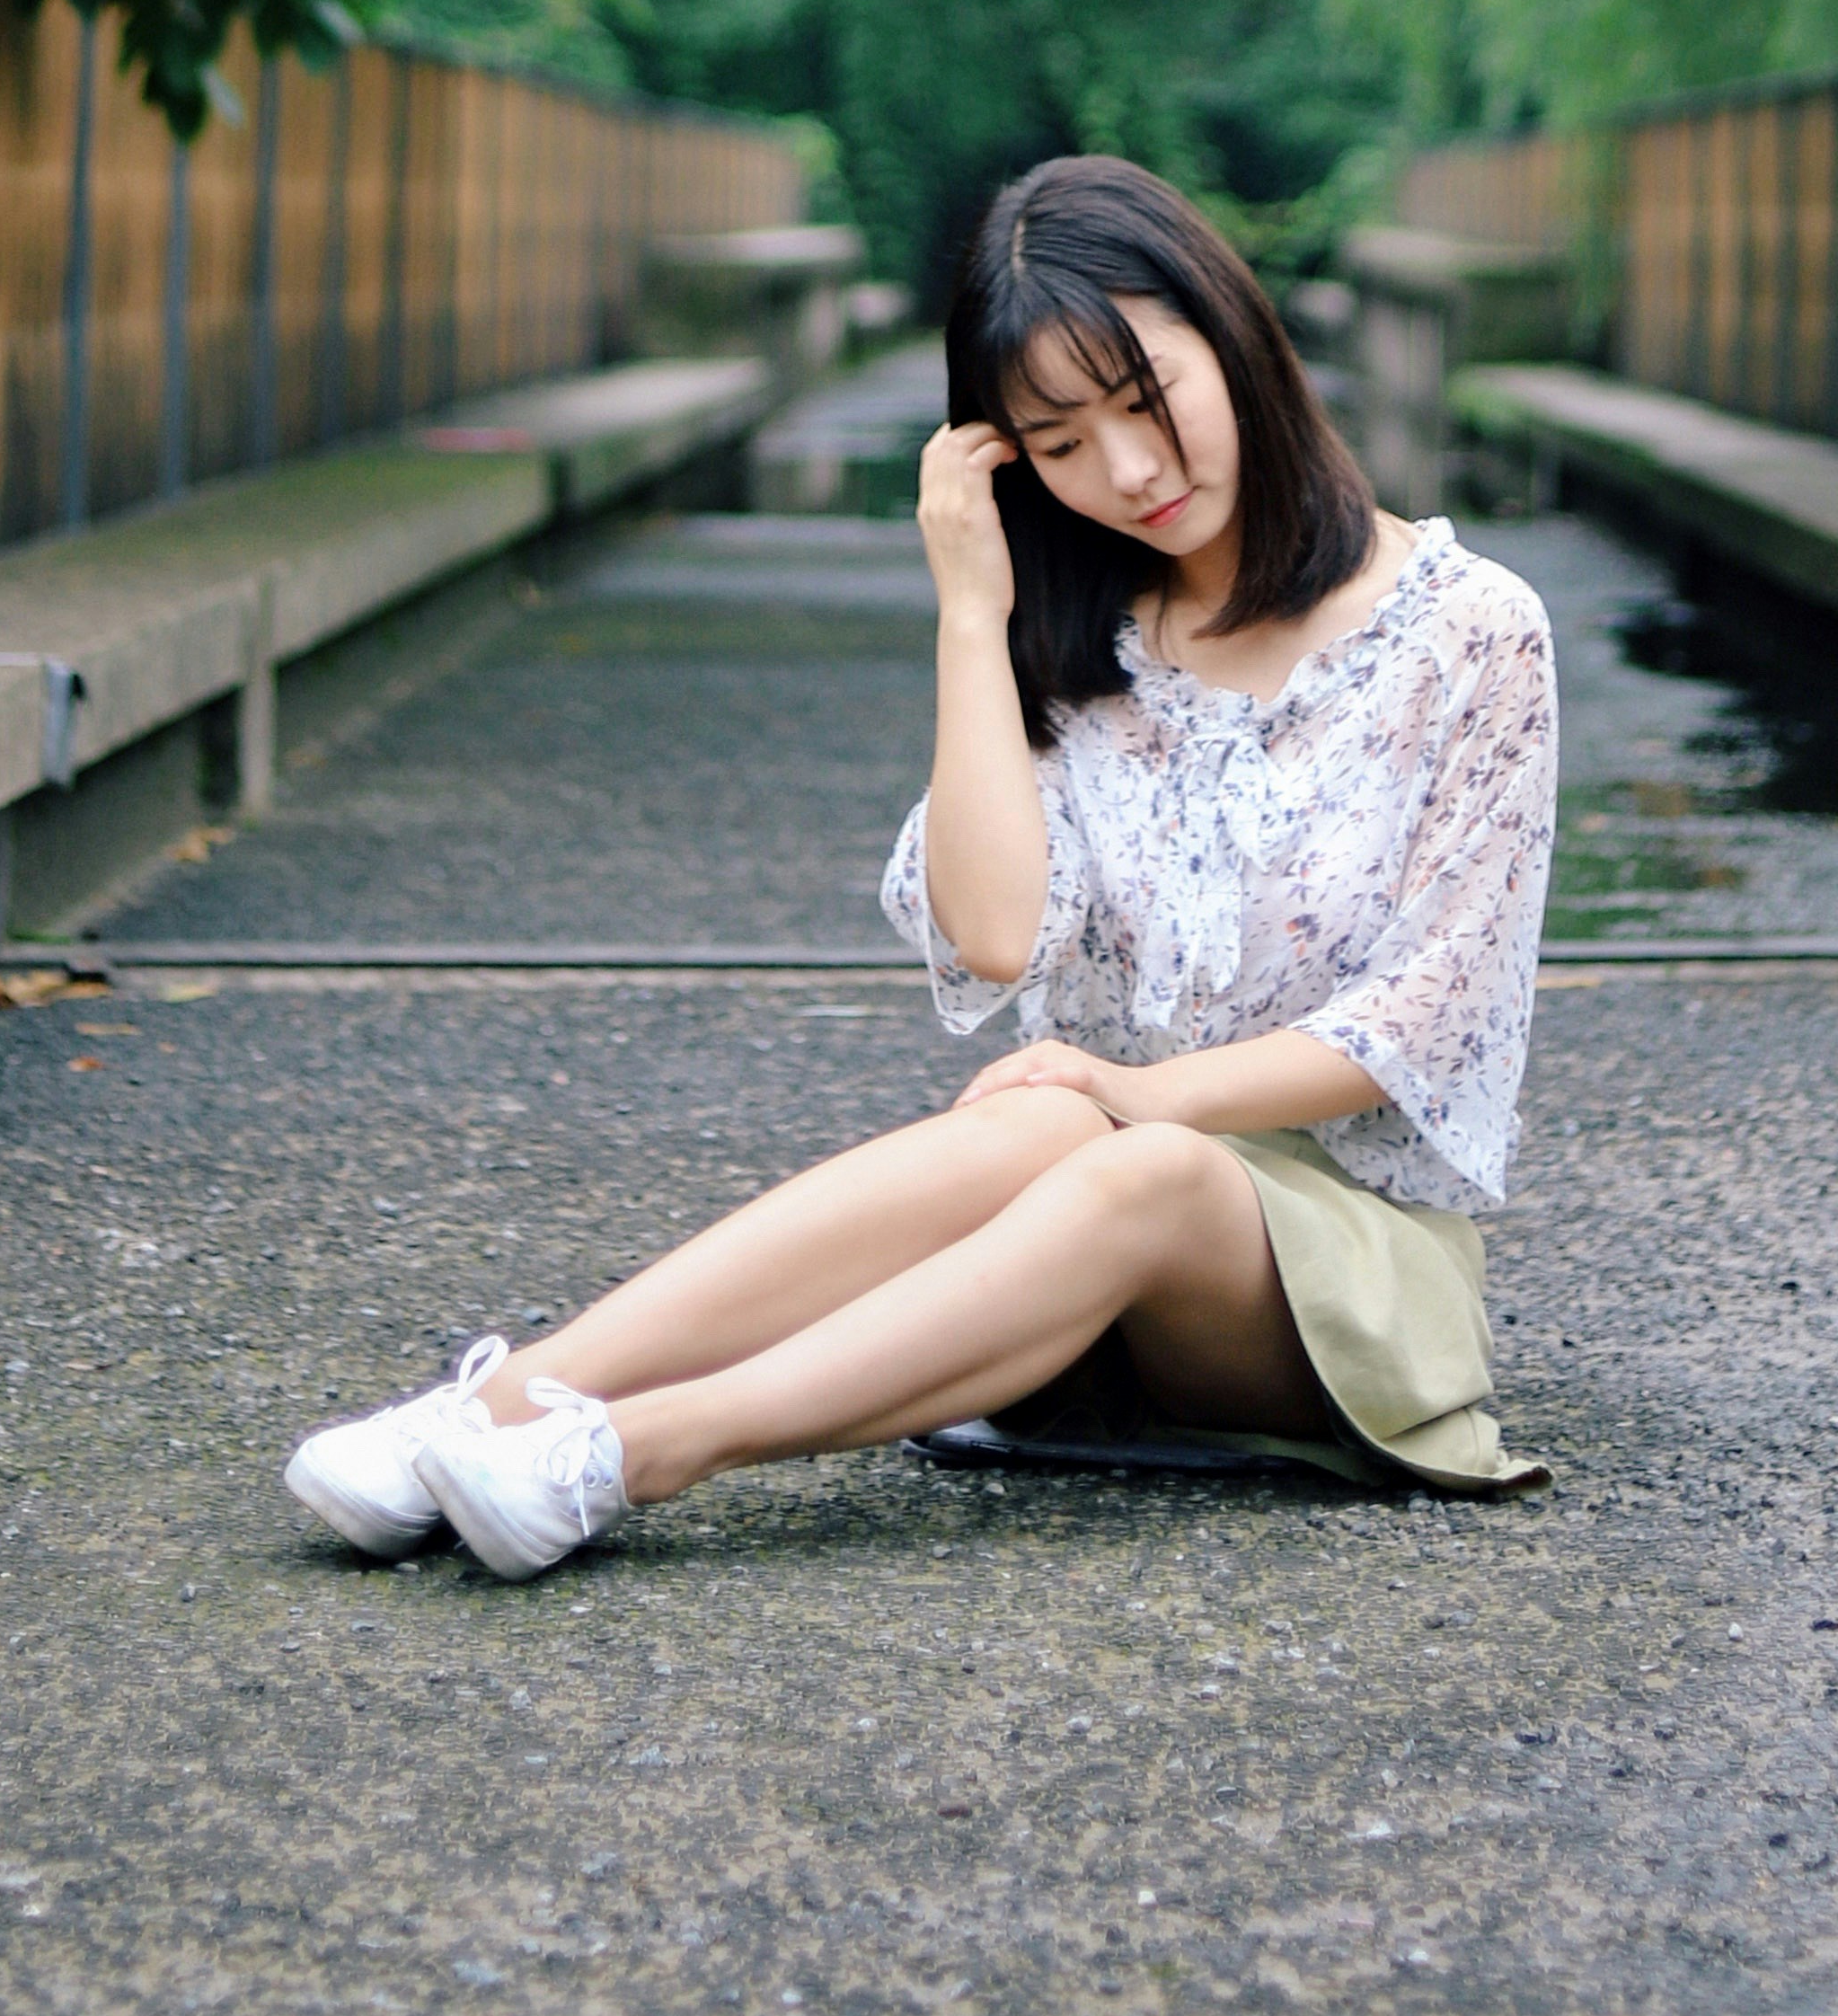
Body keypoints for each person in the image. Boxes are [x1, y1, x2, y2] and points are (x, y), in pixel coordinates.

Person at [285, 154, 1559, 1573]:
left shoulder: (1468, 631)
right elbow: (999, 933)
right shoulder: (1090, 640)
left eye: (1147, 400)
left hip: (1345, 1284)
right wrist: (972, 610)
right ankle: (494, 1408)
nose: (1128, 472)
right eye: (1061, 443)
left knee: (1125, 1153)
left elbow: (1425, 1016)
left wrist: (1137, 1093)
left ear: (1236, 335)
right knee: (1056, 1128)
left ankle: (621, 1456)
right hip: (1073, 1248)